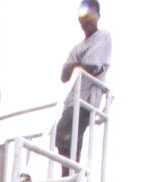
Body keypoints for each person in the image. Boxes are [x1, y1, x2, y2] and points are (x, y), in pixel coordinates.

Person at [56, 1, 111, 164]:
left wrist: (76, 65)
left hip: (87, 100)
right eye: (83, 16)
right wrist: (76, 65)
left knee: (69, 134)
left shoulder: (103, 36)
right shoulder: (77, 47)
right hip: (73, 100)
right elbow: (64, 76)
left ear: (98, 17)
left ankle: (71, 174)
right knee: (61, 136)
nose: (86, 21)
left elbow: (92, 65)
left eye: (91, 16)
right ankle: (67, 175)